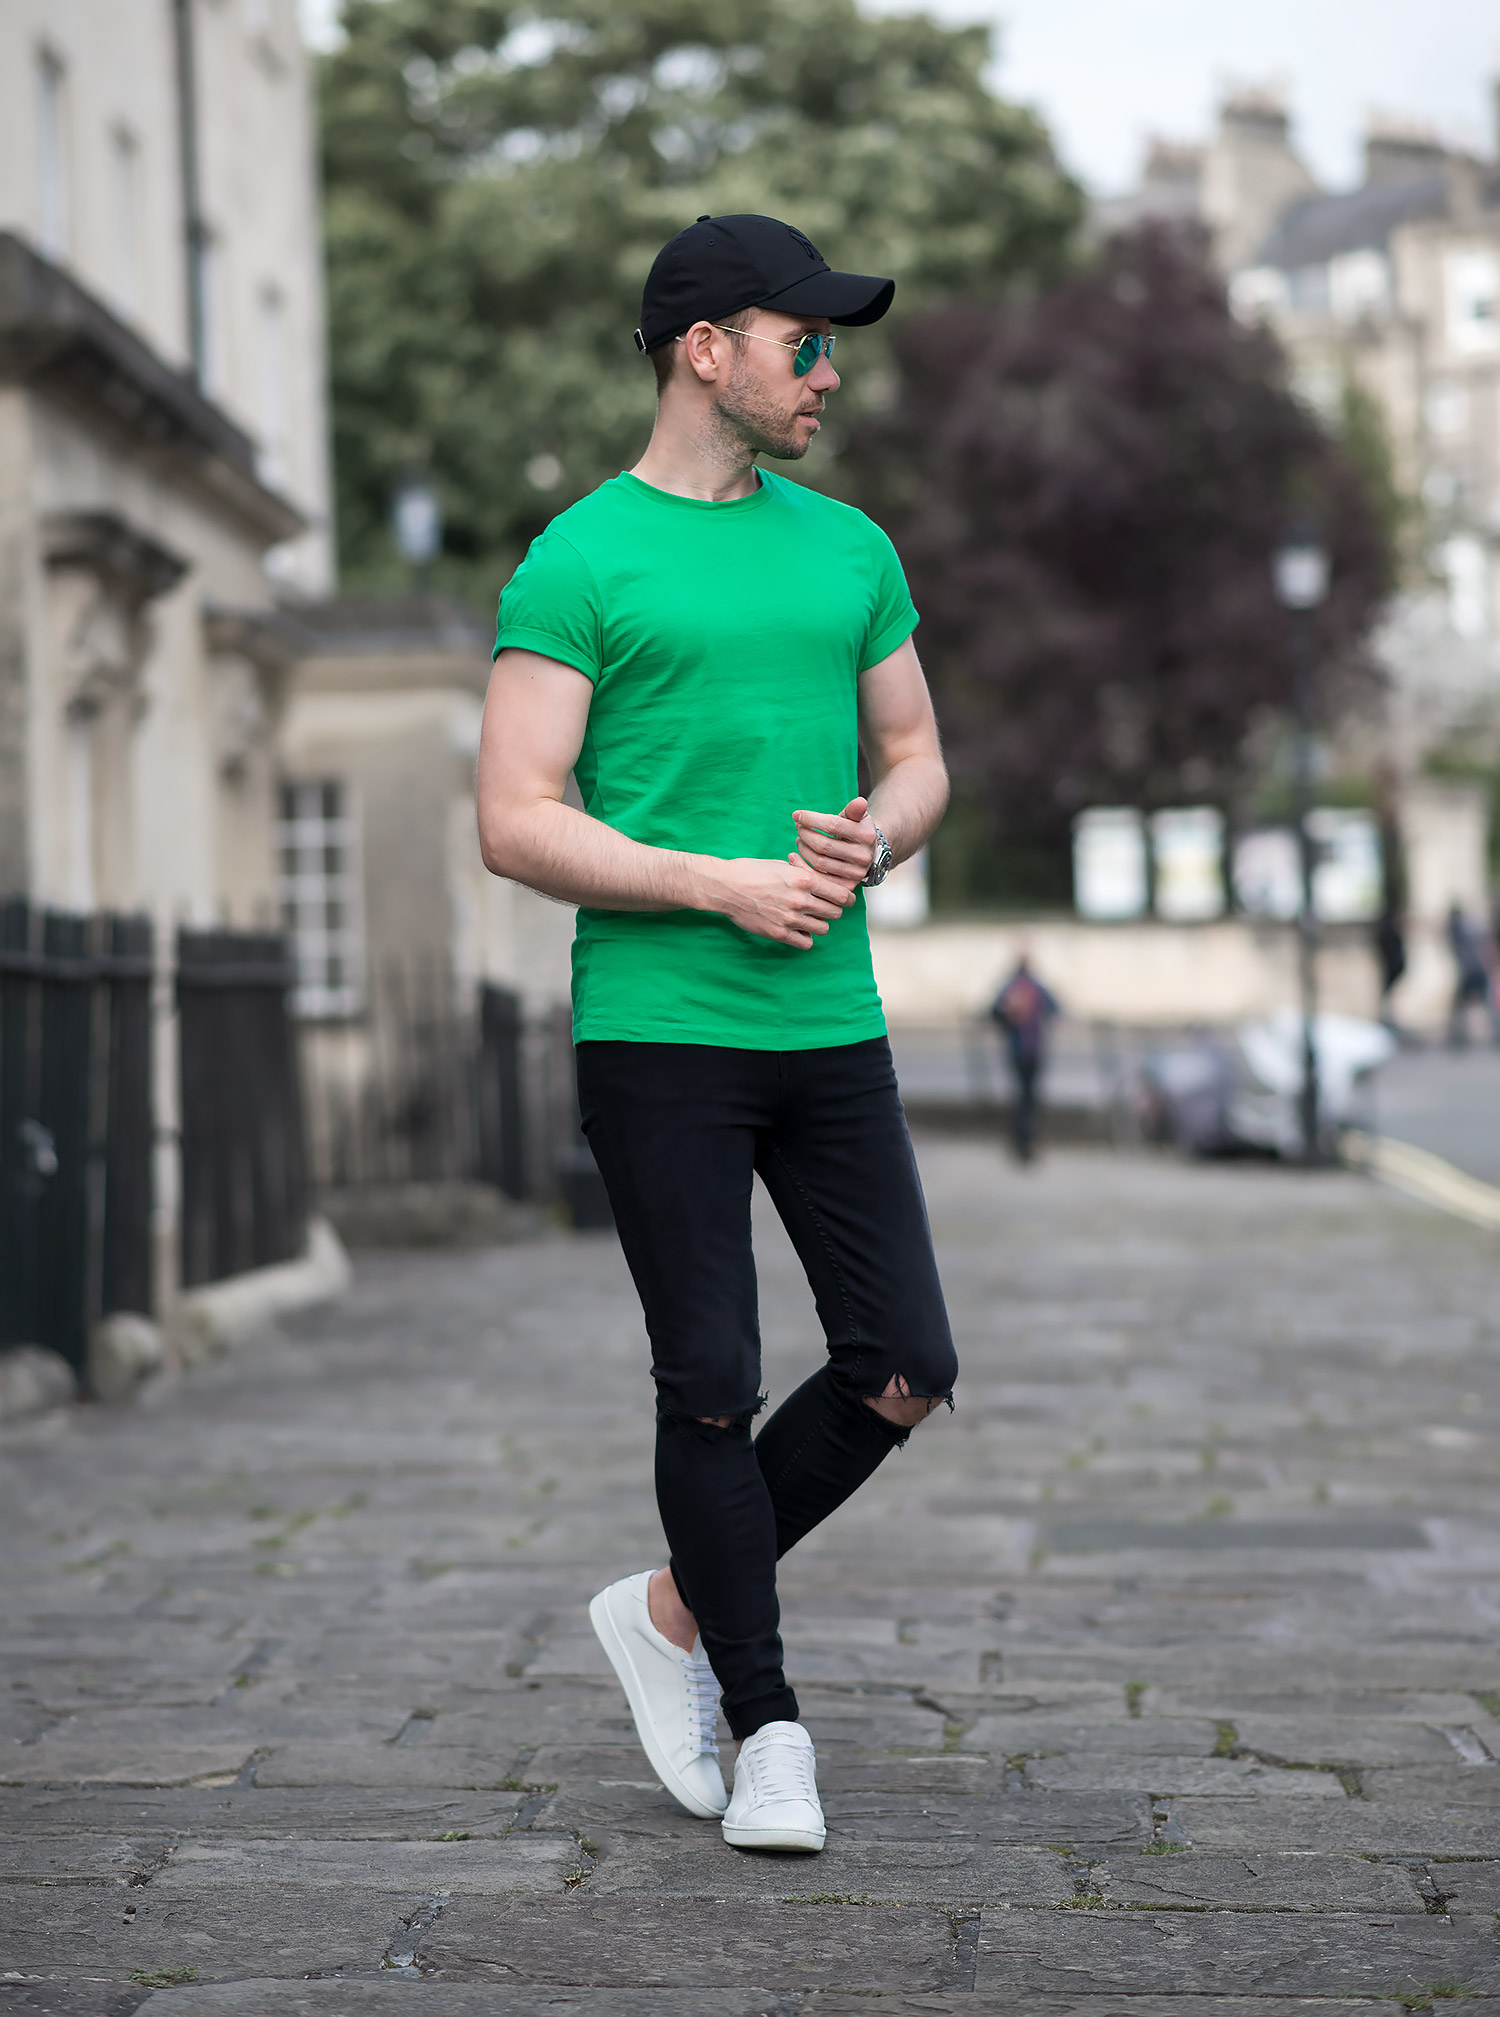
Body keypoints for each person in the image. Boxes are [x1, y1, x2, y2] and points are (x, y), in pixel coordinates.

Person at [476, 214, 957, 1855]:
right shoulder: (580, 560)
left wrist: (870, 844)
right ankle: (766, 1724)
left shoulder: (848, 550)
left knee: (904, 1360)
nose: (829, 369)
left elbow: (918, 756)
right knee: (712, 1382)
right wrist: (721, 884)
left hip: (830, 1023)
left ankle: (671, 1607)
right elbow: (514, 817)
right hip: (662, 1026)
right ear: (706, 348)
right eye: (802, 338)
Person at [988, 955, 1060, 1162]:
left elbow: (994, 1011)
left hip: (1016, 1048)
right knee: (1030, 1094)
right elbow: (1055, 1010)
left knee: (1021, 1093)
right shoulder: (1037, 988)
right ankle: (1028, 1136)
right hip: (1035, 1047)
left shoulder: (1010, 988)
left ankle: (1021, 1136)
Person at [1446, 903, 1500, 1048]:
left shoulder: (1459, 932)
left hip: (1471, 970)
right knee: (1482, 1002)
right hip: (1475, 970)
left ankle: (1458, 1033)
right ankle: (1458, 1033)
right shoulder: (1467, 930)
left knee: (1475, 1002)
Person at [1374, 906, 1406, 1036]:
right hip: (1393, 966)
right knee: (1387, 994)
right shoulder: (1389, 931)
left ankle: (1387, 1017)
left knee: (1387, 994)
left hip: (1392, 966)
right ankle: (1387, 1018)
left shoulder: (1386, 931)